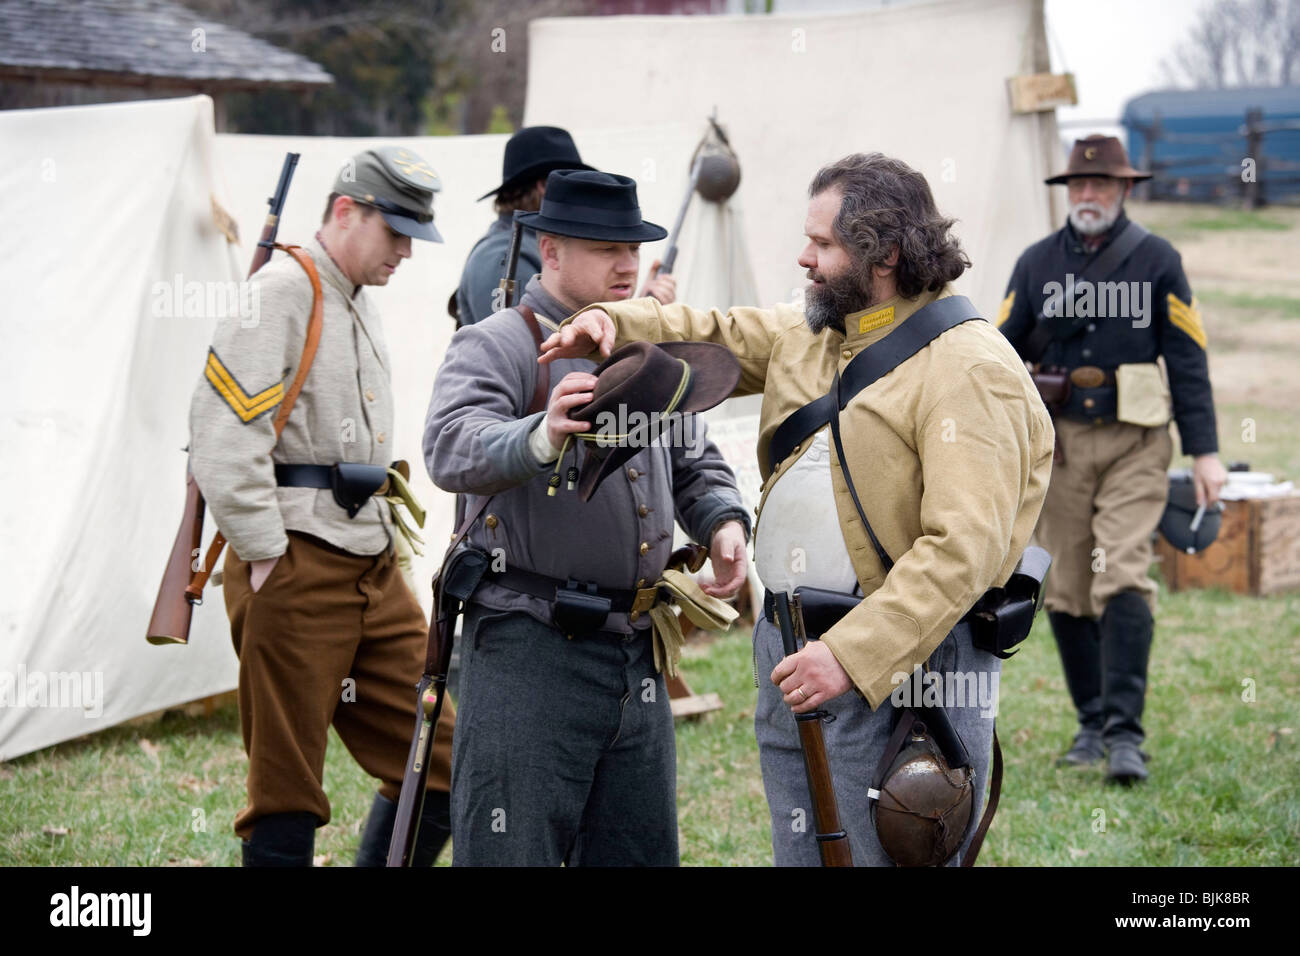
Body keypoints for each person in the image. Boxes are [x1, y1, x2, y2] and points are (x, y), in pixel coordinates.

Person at [540, 153, 1054, 866]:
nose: (803, 257)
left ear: (885, 254)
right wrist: (610, 320)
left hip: (907, 662)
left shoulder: (972, 369)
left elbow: (962, 549)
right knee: (804, 853)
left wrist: (849, 655)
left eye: (823, 243)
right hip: (788, 644)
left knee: (892, 852)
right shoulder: (810, 331)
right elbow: (709, 330)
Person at [424, 169, 750, 866]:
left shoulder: (646, 347)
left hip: (635, 646)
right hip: (528, 649)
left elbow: (694, 457)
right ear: (551, 252)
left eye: (631, 246)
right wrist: (541, 435)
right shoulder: (497, 344)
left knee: (638, 854)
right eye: (605, 247)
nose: (627, 263)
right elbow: (449, 446)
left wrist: (722, 520)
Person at [189, 147, 456, 866]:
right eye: (395, 230)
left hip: (369, 562)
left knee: (444, 760)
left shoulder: (352, 299)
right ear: (345, 212)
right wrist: (266, 551)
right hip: (296, 564)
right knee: (286, 788)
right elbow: (220, 437)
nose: (405, 250)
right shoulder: (281, 292)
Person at [995, 135, 1226, 784]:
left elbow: (1187, 357)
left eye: (1101, 185)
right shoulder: (1035, 263)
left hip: (1136, 442)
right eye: (1078, 185)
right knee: (1066, 586)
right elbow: (998, 349)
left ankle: (1127, 735)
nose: (1088, 196)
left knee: (1121, 574)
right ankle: (1090, 723)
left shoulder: (1158, 260)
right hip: (1061, 448)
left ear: (1125, 190)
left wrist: (1206, 452)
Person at [454, 126, 674, 326]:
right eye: (571, 182)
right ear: (545, 186)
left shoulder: (523, 245)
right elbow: (523, 346)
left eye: (634, 248)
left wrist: (635, 310)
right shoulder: (502, 255)